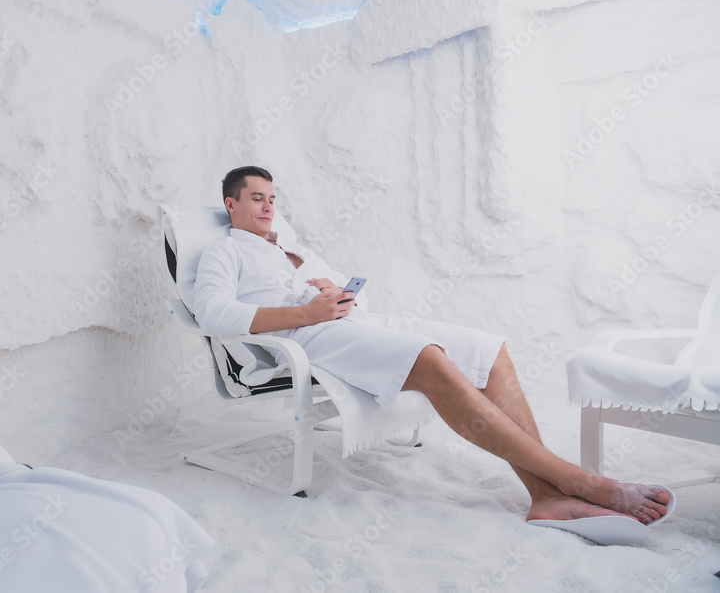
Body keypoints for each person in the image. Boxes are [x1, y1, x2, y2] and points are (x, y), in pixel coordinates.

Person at [192, 165, 672, 543]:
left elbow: (360, 304)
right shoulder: (224, 253)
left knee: (491, 349)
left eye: (273, 199)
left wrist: (337, 294)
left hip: (354, 325)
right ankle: (579, 482)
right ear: (231, 204)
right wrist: (306, 313)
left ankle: (545, 496)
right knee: (429, 358)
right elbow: (212, 314)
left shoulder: (295, 251)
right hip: (308, 341)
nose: (268, 206)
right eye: (257, 197)